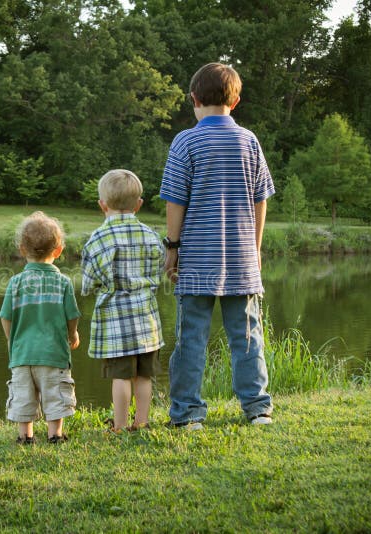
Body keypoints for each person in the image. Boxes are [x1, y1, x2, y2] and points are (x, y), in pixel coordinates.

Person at [160, 62, 275, 429]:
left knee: (191, 338)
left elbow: (175, 200)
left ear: (194, 99)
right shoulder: (249, 141)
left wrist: (172, 247)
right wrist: (256, 248)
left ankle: (188, 413)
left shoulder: (185, 142)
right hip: (242, 259)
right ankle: (257, 408)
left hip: (197, 259)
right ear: (235, 101)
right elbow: (260, 199)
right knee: (247, 336)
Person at [81, 169, 165, 433]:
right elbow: (159, 270)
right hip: (146, 320)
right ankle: (141, 421)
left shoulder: (98, 239)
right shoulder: (151, 236)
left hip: (115, 322)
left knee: (120, 376)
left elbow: (88, 282)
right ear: (138, 205)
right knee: (144, 375)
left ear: (102, 205)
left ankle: (119, 426)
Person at [0, 211, 81, 444]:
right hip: (53, 353)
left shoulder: (16, 282)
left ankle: (25, 436)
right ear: (58, 250)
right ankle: (55, 435)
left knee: (24, 396)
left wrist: (11, 339)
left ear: (22, 249)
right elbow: (72, 315)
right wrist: (72, 334)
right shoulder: (62, 282)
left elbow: (5, 316)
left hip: (22, 353)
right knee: (55, 395)